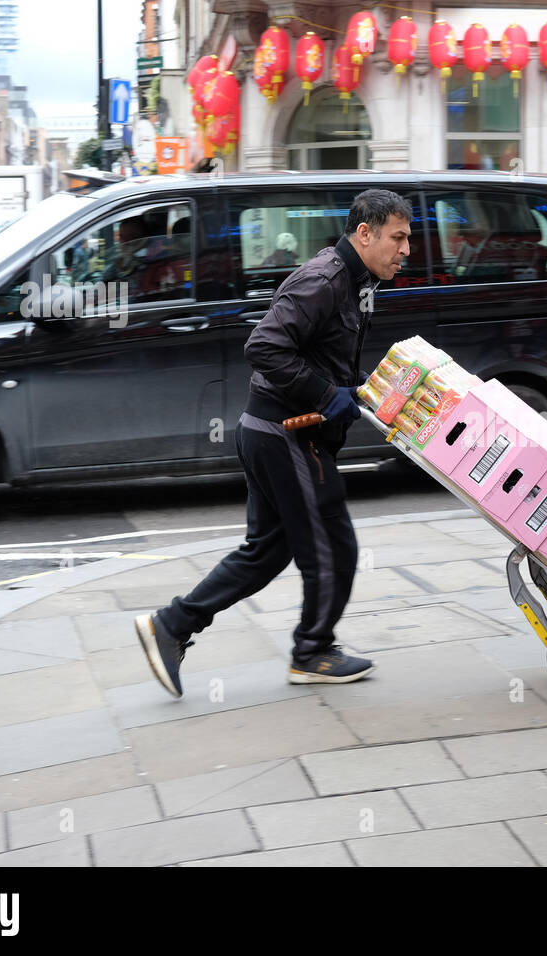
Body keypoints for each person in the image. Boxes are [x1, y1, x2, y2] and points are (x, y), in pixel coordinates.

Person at [134, 188, 414, 696]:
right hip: (288, 436)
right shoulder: (326, 279)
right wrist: (327, 394)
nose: (406, 250)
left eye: (407, 238)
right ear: (365, 232)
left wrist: (354, 390)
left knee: (265, 553)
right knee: (333, 547)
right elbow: (262, 346)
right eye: (397, 237)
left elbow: (317, 355)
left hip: (274, 433)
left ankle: (170, 626)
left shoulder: (354, 280)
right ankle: (313, 651)